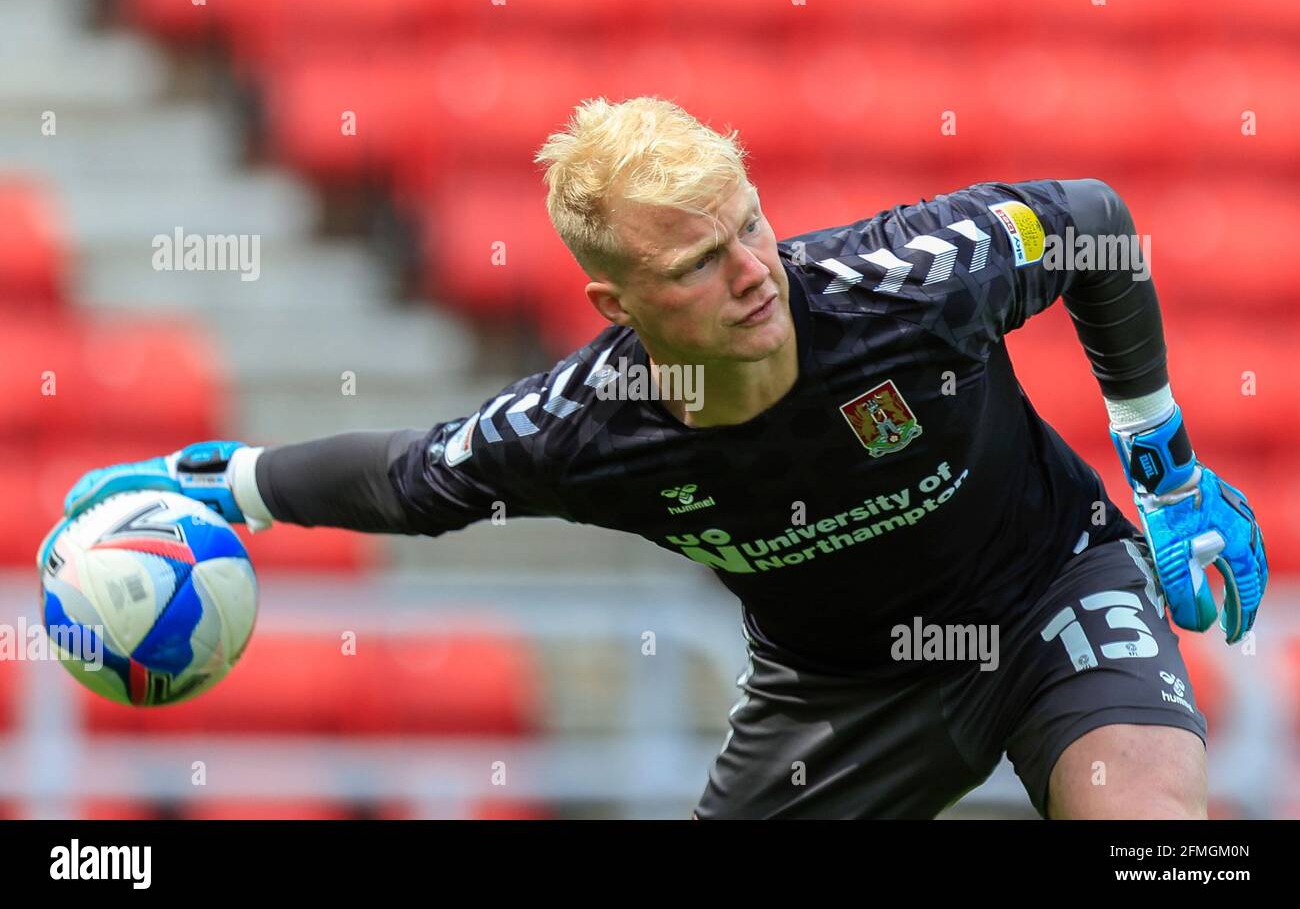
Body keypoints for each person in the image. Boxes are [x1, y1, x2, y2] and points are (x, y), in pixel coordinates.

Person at [40, 97, 1267, 819]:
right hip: (833, 694)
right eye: (694, 264)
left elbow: (1094, 224)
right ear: (614, 298)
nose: (751, 275)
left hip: (1047, 593)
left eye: (748, 225)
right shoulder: (589, 423)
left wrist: (1160, 463)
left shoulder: (904, 282)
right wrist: (227, 486)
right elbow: (412, 478)